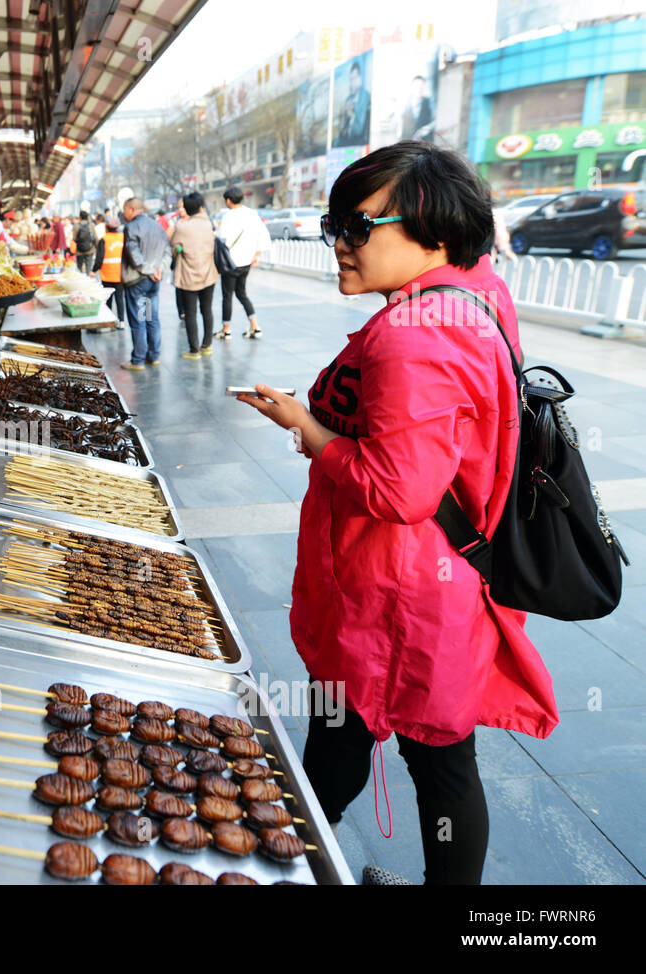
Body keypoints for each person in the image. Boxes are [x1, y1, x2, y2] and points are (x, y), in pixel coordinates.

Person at [235, 141, 557, 885]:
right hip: (431, 586)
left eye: (358, 226)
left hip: (397, 596)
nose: (339, 244)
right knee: (413, 750)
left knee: (418, 754)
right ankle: (297, 849)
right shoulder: (472, 292)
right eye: (334, 224)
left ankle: (285, 855)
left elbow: (399, 491)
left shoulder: (415, 337)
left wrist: (308, 431)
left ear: (435, 235)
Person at [119, 197, 171, 370]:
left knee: (139, 320)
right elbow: (167, 251)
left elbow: (135, 257)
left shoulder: (131, 227)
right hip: (153, 281)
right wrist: (159, 270)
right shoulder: (157, 225)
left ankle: (138, 360)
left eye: (125, 209)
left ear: (132, 209)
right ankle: (153, 355)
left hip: (137, 281)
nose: (123, 213)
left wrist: (150, 270)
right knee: (151, 318)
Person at [214, 186, 268, 339]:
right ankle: (255, 326)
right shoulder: (251, 214)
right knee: (242, 293)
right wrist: (256, 254)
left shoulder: (228, 217)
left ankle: (226, 329)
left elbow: (222, 238)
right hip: (246, 262)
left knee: (227, 296)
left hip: (230, 263)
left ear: (229, 200)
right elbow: (262, 234)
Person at [171, 192, 219, 357]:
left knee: (190, 313)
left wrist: (179, 250)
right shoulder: (209, 224)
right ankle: (207, 346)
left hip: (189, 276)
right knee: (207, 310)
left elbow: (175, 250)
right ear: (200, 207)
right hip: (208, 273)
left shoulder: (182, 227)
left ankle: (194, 350)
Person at [92, 212, 126, 327]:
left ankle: (110, 320)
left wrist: (93, 270)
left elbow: (100, 258)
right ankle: (121, 321)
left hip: (107, 274)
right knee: (120, 298)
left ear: (106, 227)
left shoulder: (104, 239)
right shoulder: (123, 238)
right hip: (120, 274)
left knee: (108, 298)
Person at [336, 60, 372, 148]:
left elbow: (359, 130)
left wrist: (352, 114)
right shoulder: (348, 99)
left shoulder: (365, 97)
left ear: (360, 79)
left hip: (360, 143)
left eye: (354, 78)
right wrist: (345, 118)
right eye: (350, 79)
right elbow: (341, 130)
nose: (352, 83)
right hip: (347, 144)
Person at [73, 209, 96, 273]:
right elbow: (95, 237)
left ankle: (80, 281)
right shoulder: (91, 225)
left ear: (80, 217)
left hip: (79, 250)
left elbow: (74, 238)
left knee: (79, 268)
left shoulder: (76, 226)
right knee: (88, 268)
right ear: (87, 217)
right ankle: (88, 280)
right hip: (90, 249)